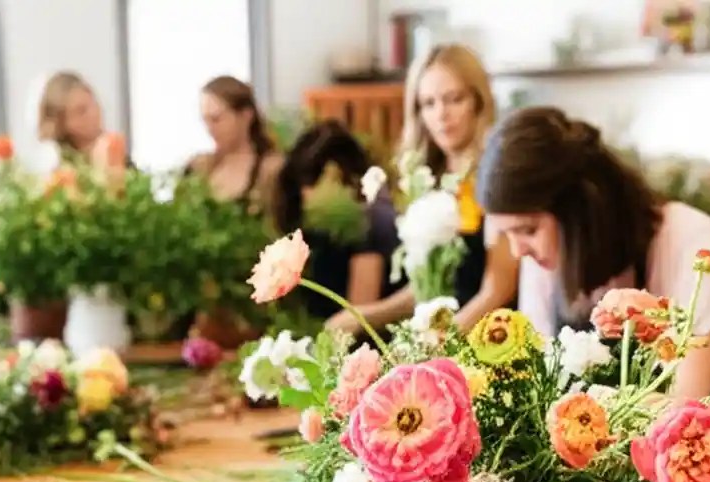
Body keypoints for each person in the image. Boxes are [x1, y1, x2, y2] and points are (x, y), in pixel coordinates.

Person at [479, 107, 710, 400]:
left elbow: (689, 405)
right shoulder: (541, 259)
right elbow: (539, 387)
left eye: (528, 230)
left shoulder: (691, 238)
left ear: (581, 212)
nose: (518, 251)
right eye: (507, 233)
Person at [327, 43, 519, 334]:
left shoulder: (497, 174)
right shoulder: (428, 180)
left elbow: (497, 290)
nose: (441, 114)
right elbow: (426, 289)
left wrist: (438, 346)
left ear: (478, 101)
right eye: (429, 103)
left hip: (491, 338)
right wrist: (364, 316)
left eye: (454, 99)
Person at [273, 119, 400, 320]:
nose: (306, 194)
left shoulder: (369, 224)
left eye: (314, 182)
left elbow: (356, 320)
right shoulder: (309, 224)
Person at [185, 75, 281, 213]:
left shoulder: (271, 170)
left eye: (216, 119)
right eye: (205, 120)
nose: (210, 129)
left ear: (246, 116)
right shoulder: (198, 167)